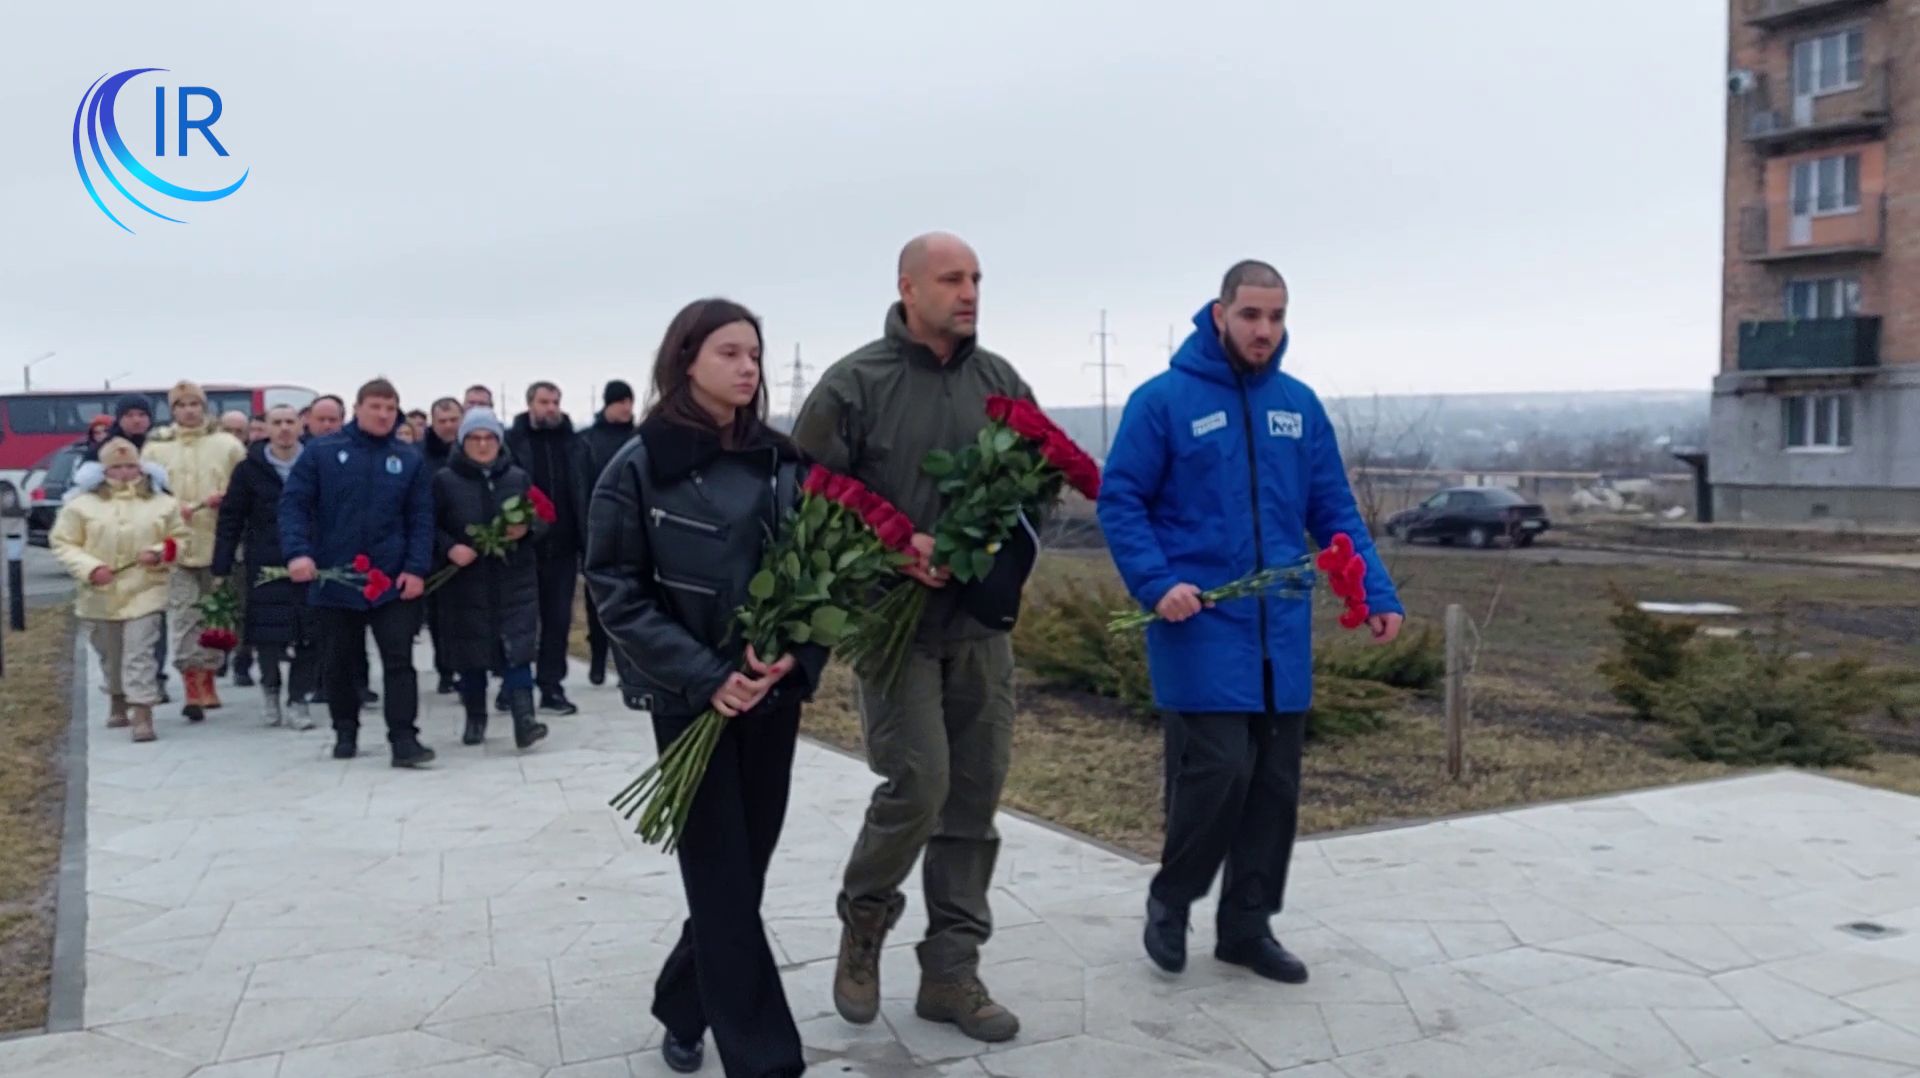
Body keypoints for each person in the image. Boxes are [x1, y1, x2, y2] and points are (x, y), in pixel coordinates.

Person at [1098, 261, 1406, 984]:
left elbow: (1333, 513)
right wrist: (1157, 582)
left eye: (1275, 317)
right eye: (1250, 316)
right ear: (1218, 314)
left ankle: (1246, 927)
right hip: (1198, 624)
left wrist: (1379, 593)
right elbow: (1122, 502)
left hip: (1281, 632)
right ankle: (1171, 900)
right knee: (1219, 773)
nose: (1264, 331)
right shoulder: (1162, 403)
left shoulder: (1298, 407)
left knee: (1273, 785)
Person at [792, 232, 1032, 1043]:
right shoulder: (855, 385)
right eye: (952, 279)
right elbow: (805, 495)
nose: (969, 293)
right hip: (893, 629)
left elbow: (1034, 482)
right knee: (919, 786)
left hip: (979, 631)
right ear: (907, 287)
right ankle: (864, 919)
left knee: (974, 799)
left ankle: (952, 974)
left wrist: (991, 544)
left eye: (977, 280)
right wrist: (895, 548)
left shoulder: (998, 380)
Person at [586, 298, 824, 1078]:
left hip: (771, 697)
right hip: (691, 701)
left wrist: (796, 656)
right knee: (721, 878)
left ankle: (682, 1004)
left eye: (754, 352)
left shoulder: (785, 462)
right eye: (729, 352)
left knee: (740, 876)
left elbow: (821, 577)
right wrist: (705, 674)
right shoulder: (639, 464)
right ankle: (764, 1060)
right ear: (686, 359)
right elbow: (614, 587)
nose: (748, 366)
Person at [280, 378, 437, 767]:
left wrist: (416, 568)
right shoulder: (322, 453)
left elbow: (421, 518)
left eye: (390, 408)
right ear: (358, 408)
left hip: (391, 579)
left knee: (399, 660)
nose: (383, 415)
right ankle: (344, 730)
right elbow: (294, 506)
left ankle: (404, 740)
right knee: (338, 660)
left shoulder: (409, 458)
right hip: (335, 576)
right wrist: (298, 553)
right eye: (376, 407)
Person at [50, 437, 186, 743]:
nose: (124, 473)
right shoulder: (80, 505)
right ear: (103, 470)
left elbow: (180, 537)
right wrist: (89, 568)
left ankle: (143, 712)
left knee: (139, 651)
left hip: (146, 587)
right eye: (116, 467)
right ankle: (117, 698)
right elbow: (63, 543)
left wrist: (159, 551)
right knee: (110, 653)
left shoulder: (163, 502)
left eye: (130, 466)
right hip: (100, 593)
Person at [432, 408, 550, 750]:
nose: (482, 445)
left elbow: (542, 517)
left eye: (489, 439)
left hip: (514, 578)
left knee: (518, 649)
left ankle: (524, 720)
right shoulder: (445, 481)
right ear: (463, 441)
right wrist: (450, 547)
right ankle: (475, 716)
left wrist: (527, 528)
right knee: (472, 653)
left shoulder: (517, 477)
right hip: (467, 582)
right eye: (475, 438)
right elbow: (430, 526)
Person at [143, 382, 246, 721]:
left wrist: (226, 499)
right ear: (172, 410)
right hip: (177, 544)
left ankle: (209, 676)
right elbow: (145, 494)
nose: (189, 411)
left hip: (218, 542)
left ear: (204, 407)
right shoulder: (157, 450)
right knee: (185, 612)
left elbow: (244, 487)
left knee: (216, 612)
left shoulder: (227, 445)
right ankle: (190, 681)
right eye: (181, 405)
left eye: (194, 404)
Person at [212, 405, 319, 731]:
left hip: (310, 561)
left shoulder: (317, 463)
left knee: (310, 635)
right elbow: (231, 518)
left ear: (301, 426)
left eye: (290, 422)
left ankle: (299, 698)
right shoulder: (248, 469)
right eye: (277, 423)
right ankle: (271, 689)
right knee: (268, 636)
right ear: (266, 428)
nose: (284, 429)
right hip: (266, 561)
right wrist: (222, 565)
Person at [505, 381, 590, 717]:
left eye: (555, 402)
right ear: (530, 405)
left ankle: (552, 686)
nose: (551, 408)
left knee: (558, 620)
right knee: (521, 622)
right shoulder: (513, 443)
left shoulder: (575, 444)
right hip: (523, 548)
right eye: (544, 402)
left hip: (565, 547)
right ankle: (514, 684)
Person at [578, 378, 637, 686]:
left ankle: (626, 663)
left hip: (633, 532)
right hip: (598, 531)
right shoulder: (588, 441)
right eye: (621, 402)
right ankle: (598, 660)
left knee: (633, 601)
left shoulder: (638, 438)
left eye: (630, 402)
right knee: (598, 601)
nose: (627, 408)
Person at [422, 397, 465, 694]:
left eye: (454, 420)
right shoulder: (421, 458)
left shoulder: (479, 450)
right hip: (436, 547)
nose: (449, 426)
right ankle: (445, 669)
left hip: (474, 545)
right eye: (443, 421)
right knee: (440, 615)